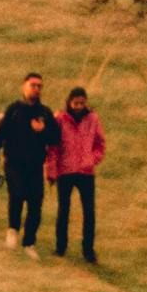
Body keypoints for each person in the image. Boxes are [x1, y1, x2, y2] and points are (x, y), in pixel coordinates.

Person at [0, 74, 58, 246]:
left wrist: (43, 130)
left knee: (35, 203)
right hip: (14, 162)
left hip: (35, 165)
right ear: (24, 87)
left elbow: (56, 138)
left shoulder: (45, 113)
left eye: (40, 86)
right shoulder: (13, 109)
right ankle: (13, 230)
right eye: (33, 85)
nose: (37, 89)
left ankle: (29, 242)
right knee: (17, 195)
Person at [46, 83, 104, 262]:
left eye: (82, 103)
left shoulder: (93, 119)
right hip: (65, 170)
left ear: (85, 103)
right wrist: (52, 171)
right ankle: (60, 247)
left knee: (89, 212)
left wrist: (92, 159)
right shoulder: (61, 120)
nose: (78, 107)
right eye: (75, 103)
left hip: (86, 172)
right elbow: (53, 147)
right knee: (64, 210)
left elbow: (100, 143)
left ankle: (88, 250)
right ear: (69, 102)